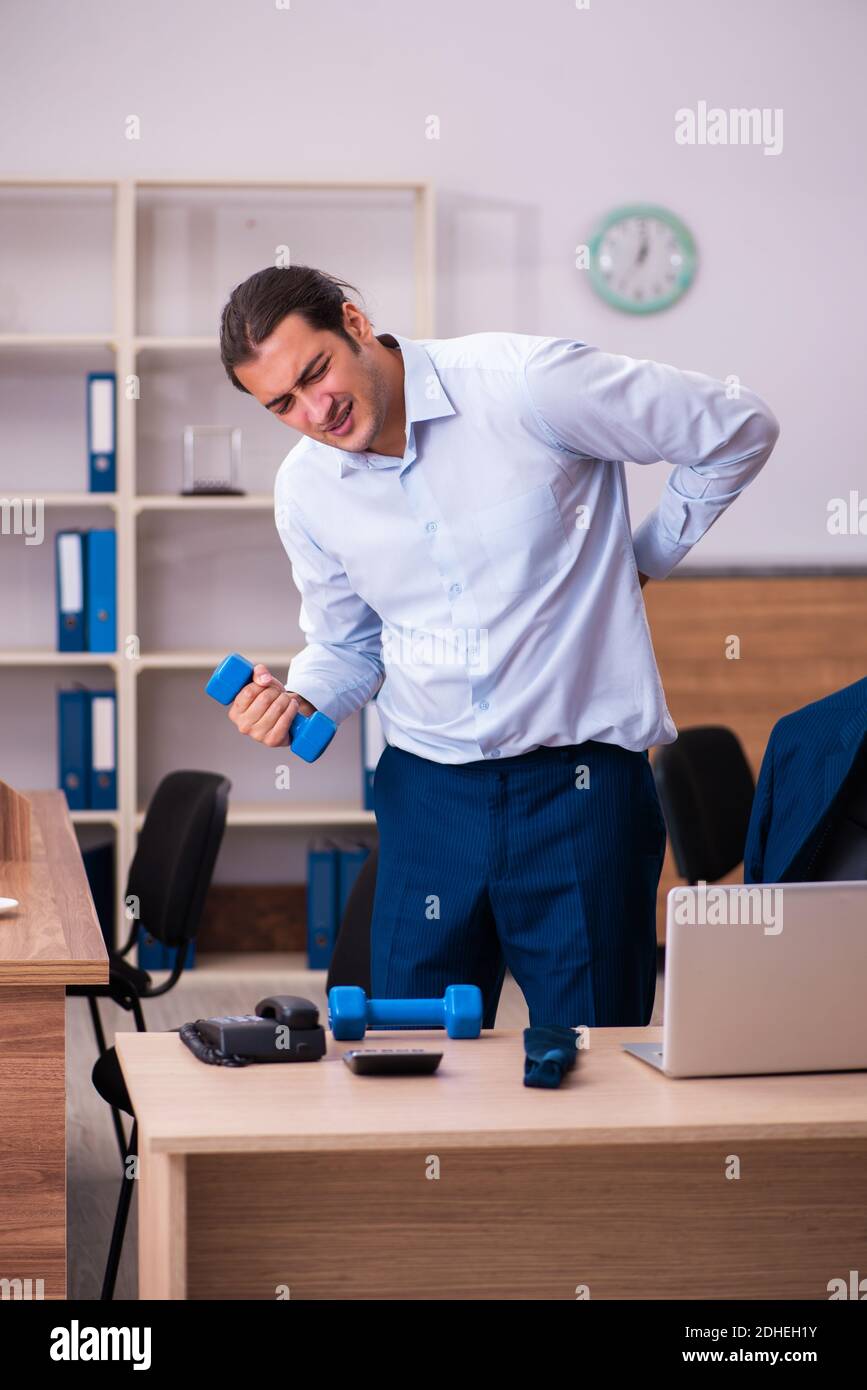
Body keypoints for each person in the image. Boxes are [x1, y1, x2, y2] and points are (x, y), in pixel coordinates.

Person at [218, 265, 780, 1028]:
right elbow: (349, 643)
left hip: (578, 794)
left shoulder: (525, 385)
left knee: (589, 1061)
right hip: (425, 795)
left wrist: (638, 561)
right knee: (403, 1054)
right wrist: (301, 696)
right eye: (280, 404)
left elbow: (737, 428)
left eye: (315, 373)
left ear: (354, 323)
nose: (315, 411)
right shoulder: (306, 489)